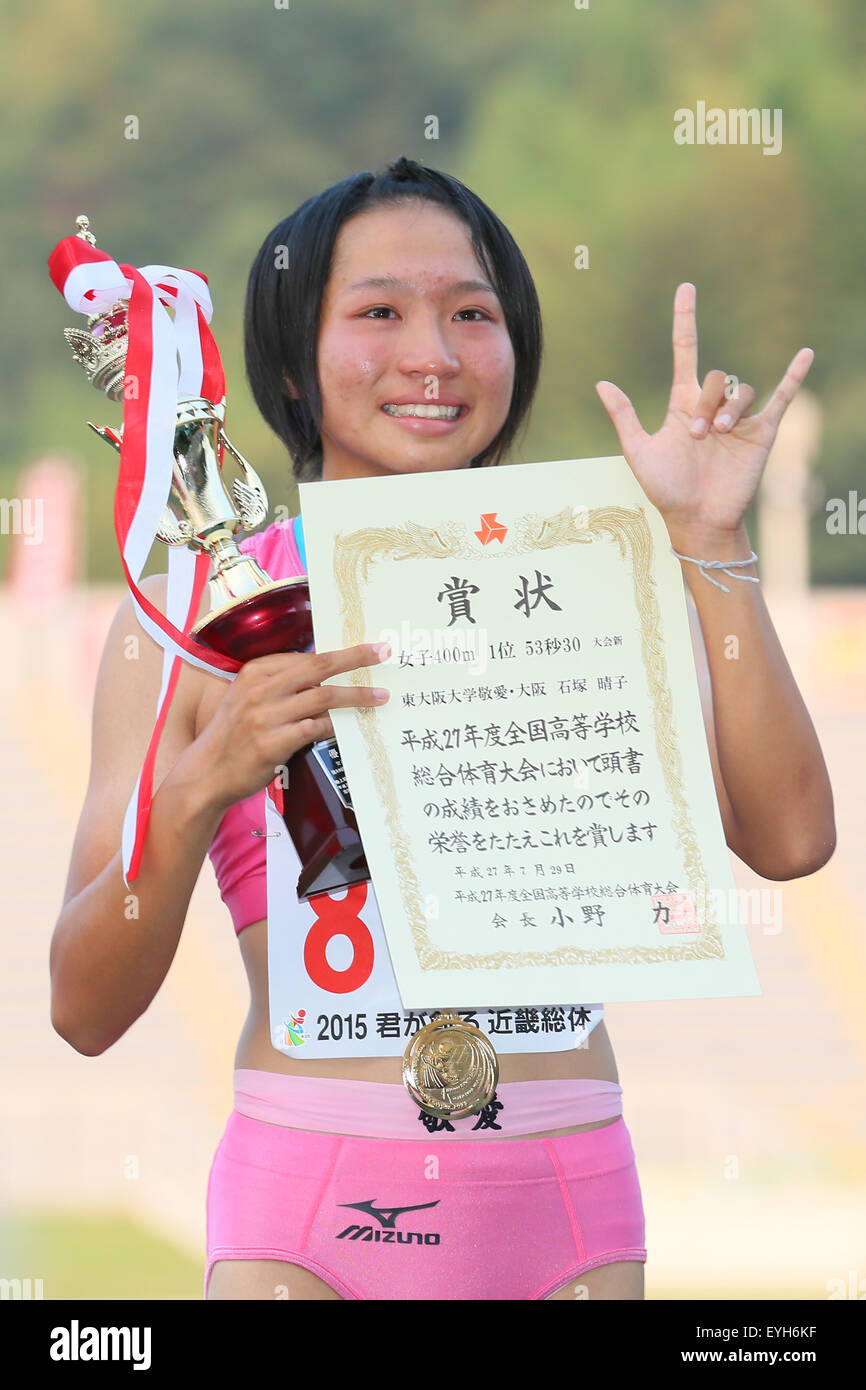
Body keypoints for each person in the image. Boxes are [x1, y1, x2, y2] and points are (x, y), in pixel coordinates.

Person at [50, 156, 836, 1302]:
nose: (433, 355)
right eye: (378, 313)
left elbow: (789, 839)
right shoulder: (188, 618)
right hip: (304, 1212)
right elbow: (82, 1008)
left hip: (564, 1206)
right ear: (290, 359)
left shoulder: (590, 574)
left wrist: (710, 538)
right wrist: (195, 790)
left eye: (472, 313)